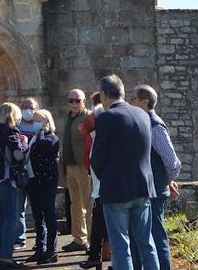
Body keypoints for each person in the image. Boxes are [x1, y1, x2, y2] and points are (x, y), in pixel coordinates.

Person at [90, 75, 159, 270]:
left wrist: (106, 178)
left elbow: (97, 158)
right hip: (143, 187)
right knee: (146, 243)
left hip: (116, 190)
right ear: (122, 92)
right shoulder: (143, 114)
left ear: (104, 95)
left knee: (121, 246)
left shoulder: (106, 118)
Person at [129, 85, 181, 270]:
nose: (129, 102)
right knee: (137, 236)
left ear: (144, 102)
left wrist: (167, 180)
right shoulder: (142, 122)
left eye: (133, 99)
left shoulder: (154, 125)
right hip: (144, 188)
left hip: (155, 189)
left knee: (156, 235)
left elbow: (172, 161)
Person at [0, 102, 29, 270]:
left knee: (3, 220)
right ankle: (6, 258)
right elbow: (18, 154)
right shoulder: (11, 132)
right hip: (5, 179)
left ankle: (1, 257)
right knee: (10, 219)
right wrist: (24, 143)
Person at [79, 93, 111, 270]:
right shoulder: (97, 130)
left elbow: (83, 129)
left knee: (102, 219)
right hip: (100, 181)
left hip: (104, 182)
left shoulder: (100, 126)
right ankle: (97, 256)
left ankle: (98, 256)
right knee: (101, 219)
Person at [26, 109, 61, 265]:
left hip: (46, 183)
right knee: (38, 217)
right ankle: (40, 248)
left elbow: (40, 147)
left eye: (39, 121)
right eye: (34, 121)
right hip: (34, 182)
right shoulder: (34, 137)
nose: (36, 124)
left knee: (49, 215)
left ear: (48, 122)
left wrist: (40, 131)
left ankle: (52, 251)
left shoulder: (51, 139)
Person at [61, 88, 92, 253]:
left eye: (77, 100)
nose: (74, 103)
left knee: (88, 204)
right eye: (71, 100)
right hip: (70, 166)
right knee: (75, 205)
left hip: (84, 167)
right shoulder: (68, 117)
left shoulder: (89, 117)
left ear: (84, 101)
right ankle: (79, 239)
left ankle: (94, 242)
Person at [15, 97, 43, 248]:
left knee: (39, 208)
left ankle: (40, 240)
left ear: (37, 109)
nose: (28, 110)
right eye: (25, 107)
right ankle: (20, 239)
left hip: (35, 172)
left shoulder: (40, 126)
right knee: (18, 208)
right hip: (19, 171)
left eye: (31, 107)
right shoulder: (17, 125)